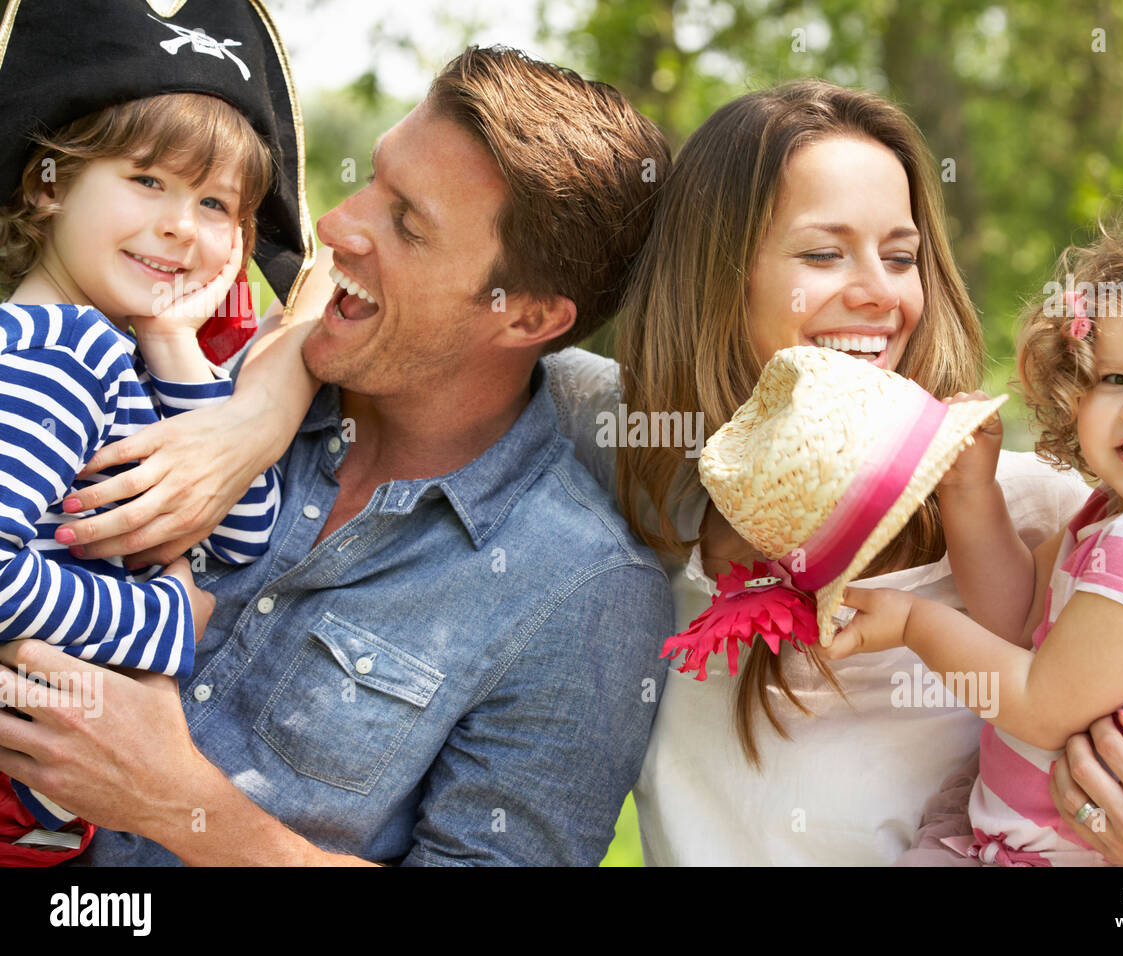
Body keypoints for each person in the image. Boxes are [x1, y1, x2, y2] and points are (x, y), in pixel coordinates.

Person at [42, 80, 1123, 865]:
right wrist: (267, 400)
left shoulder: (1028, 514)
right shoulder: (641, 465)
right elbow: (432, 351)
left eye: (902, 251)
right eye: (821, 252)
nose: (876, 295)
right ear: (719, 280)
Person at [0, 42, 674, 865]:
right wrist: (260, 403)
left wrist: (184, 805)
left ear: (527, 318)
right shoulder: (192, 367)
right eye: (374, 182)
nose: (335, 225)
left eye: (407, 223)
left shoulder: (579, 592)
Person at [823, 208, 1123, 865]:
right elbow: (1017, 619)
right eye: (1117, 378)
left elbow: (1041, 707)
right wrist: (971, 492)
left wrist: (914, 623)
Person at [0, 0, 308, 863]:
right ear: (47, 182)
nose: (181, 224)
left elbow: (239, 530)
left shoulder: (117, 350)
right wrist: (166, 619)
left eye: (215, 203)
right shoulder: (51, 353)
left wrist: (173, 339)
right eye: (147, 180)